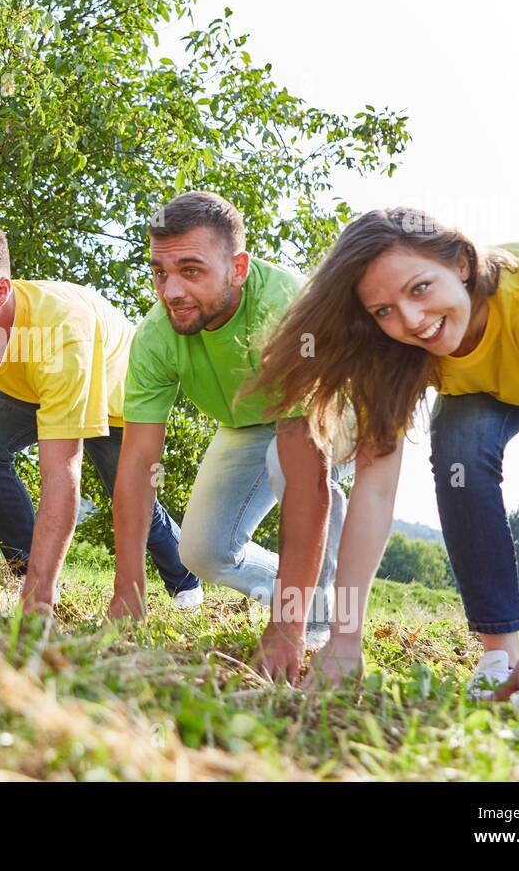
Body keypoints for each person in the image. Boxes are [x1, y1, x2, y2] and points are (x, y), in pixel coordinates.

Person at [257, 207, 519, 722]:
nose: (411, 320)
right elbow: (374, 492)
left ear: (462, 263)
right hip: (485, 381)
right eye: (383, 311)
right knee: (459, 456)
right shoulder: (399, 348)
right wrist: (345, 638)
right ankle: (500, 652)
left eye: (420, 289)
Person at [0, 222, 200, 614]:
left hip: (118, 394)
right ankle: (27, 568)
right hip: (34, 382)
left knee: (127, 496)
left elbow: (61, 474)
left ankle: (185, 579)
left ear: (1, 290)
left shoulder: (58, 330)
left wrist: (38, 606)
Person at [110, 191, 350, 680]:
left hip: (331, 409)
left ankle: (316, 619)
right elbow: (138, 463)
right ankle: (298, 590)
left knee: (296, 473)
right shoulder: (156, 337)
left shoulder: (285, 311)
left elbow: (306, 476)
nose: (171, 290)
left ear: (237, 268)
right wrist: (127, 588)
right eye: (160, 272)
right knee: (200, 552)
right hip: (245, 421)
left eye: (191, 270)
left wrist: (286, 628)